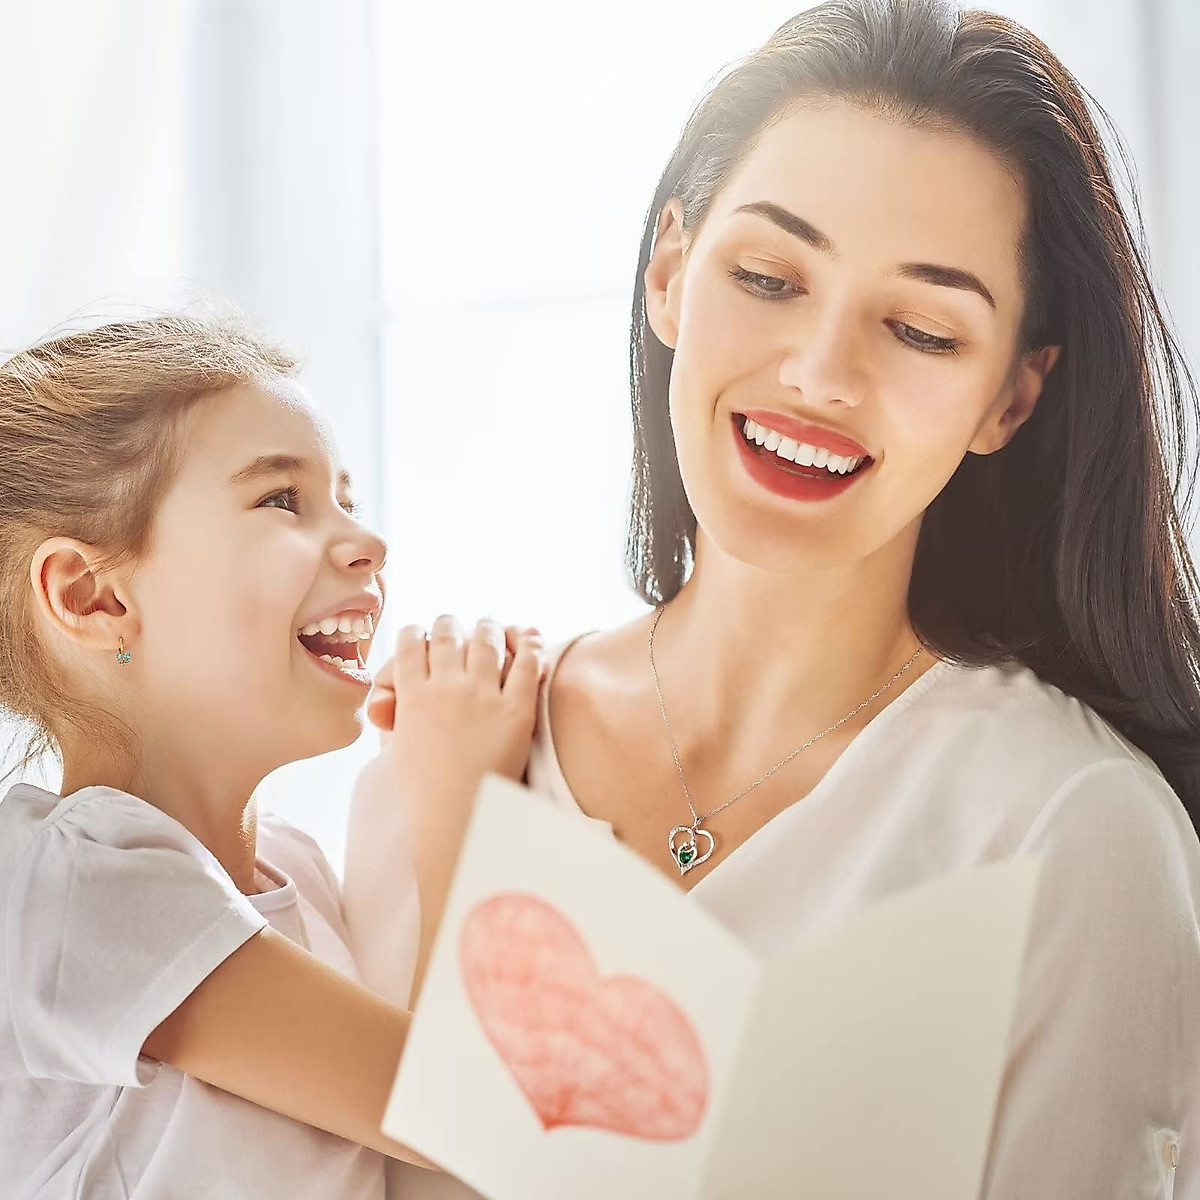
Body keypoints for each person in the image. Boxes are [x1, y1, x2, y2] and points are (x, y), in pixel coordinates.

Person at [347, 1, 1200, 1196]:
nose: (819, 375)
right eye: (766, 275)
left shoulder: (1070, 829)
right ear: (669, 273)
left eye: (919, 328)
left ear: (1011, 400)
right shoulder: (435, 756)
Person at [0, 312, 547, 1197]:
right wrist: (463, 801)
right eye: (281, 500)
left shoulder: (294, 870)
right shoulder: (77, 881)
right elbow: (478, 1117)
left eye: (348, 501)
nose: (368, 543)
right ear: (93, 597)